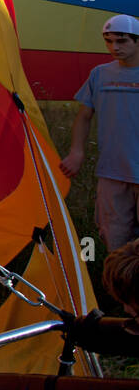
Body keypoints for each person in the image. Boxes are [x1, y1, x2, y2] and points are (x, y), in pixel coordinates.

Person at [60, 14, 139, 252]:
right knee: (114, 239)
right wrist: (76, 152)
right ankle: (119, 287)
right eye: (108, 41)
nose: (114, 47)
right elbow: (84, 116)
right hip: (111, 172)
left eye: (122, 41)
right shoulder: (100, 74)